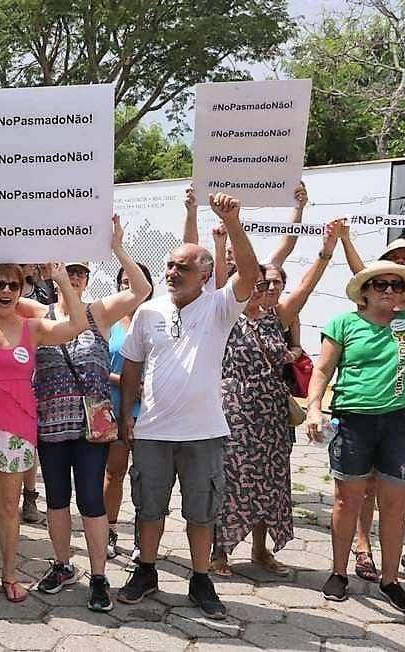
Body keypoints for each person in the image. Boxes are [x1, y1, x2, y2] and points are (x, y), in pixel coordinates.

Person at [116, 193, 259, 619]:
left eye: (184, 267)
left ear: (206, 275)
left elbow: (249, 275)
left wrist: (232, 223)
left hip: (203, 434)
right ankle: (146, 570)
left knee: (202, 511)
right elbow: (132, 365)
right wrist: (127, 414)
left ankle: (200, 579)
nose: (173, 272)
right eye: (170, 265)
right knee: (148, 507)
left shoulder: (219, 307)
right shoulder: (148, 312)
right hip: (153, 432)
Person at [0, 193, 87, 603]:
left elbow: (77, 324)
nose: (6, 289)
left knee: (8, 506)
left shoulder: (33, 328)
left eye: (14, 284)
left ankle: (9, 574)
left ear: (22, 288)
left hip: (17, 429)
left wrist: (61, 280)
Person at [306, 260, 405, 613]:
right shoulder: (343, 323)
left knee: (395, 505)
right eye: (380, 284)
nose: (389, 291)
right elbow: (322, 368)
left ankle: (389, 581)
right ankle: (338, 573)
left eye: (397, 286)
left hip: (402, 421)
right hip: (354, 420)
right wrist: (313, 407)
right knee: (345, 500)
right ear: (364, 291)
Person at [32, 216, 152, 612]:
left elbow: (142, 289)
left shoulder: (100, 312)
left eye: (81, 270)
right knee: (56, 499)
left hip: (90, 426)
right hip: (50, 424)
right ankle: (64, 565)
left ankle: (99, 576)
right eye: (67, 269)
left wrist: (117, 246)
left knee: (91, 500)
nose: (74, 276)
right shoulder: (38, 312)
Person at [210, 222, 340, 578]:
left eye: (268, 284)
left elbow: (305, 288)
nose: (264, 288)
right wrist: (221, 242)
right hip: (233, 409)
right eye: (258, 282)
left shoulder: (276, 317)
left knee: (272, 479)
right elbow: (222, 275)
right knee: (232, 477)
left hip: (271, 413)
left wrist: (326, 251)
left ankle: (260, 550)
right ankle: (220, 552)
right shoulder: (226, 314)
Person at [338, 234, 405, 587]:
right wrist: (343, 240)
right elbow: (361, 277)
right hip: (364, 411)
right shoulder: (359, 316)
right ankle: (363, 547)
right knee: (363, 484)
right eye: (391, 263)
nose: (393, 277)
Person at [104, 263, 153, 564]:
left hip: (152, 409)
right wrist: (126, 382)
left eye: (133, 281)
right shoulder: (109, 321)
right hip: (116, 407)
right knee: (115, 472)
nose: (128, 286)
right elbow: (99, 365)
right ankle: (109, 531)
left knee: (147, 477)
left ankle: (142, 536)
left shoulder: (158, 319)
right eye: (123, 281)